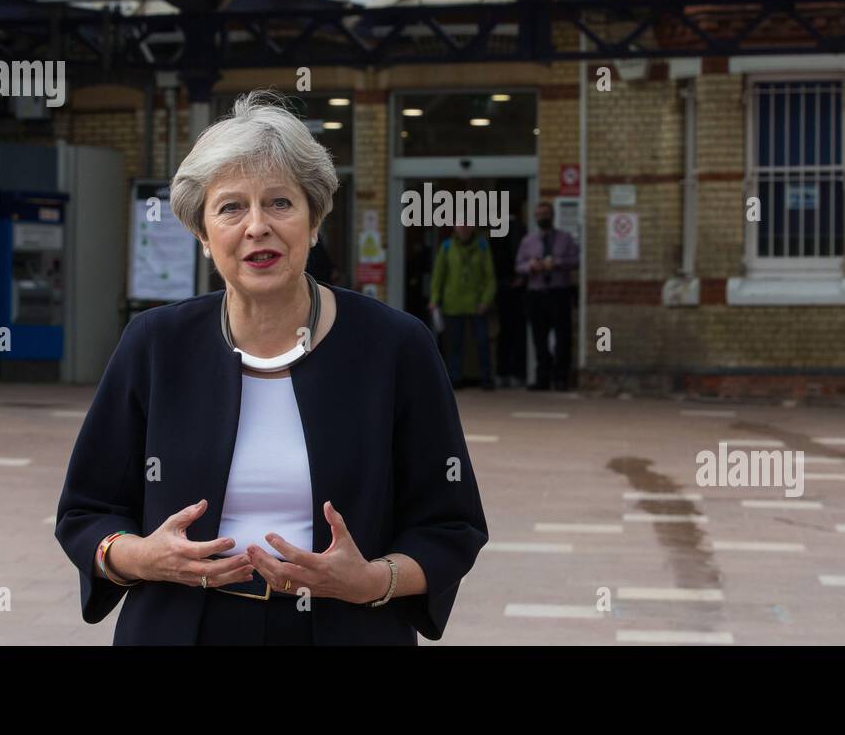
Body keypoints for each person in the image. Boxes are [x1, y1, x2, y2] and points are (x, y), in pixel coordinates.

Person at [55, 92, 489, 644]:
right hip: (182, 628)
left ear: (314, 220)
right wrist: (142, 557)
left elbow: (450, 525)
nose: (257, 226)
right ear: (202, 234)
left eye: (280, 202)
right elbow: (86, 512)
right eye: (230, 208)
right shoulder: (155, 344)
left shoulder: (396, 346)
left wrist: (371, 581)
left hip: (343, 629)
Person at [515, 200, 579, 391]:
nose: (543, 218)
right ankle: (542, 378)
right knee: (539, 338)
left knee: (563, 337)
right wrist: (531, 266)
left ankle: (560, 378)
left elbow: (576, 260)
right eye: (539, 214)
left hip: (559, 293)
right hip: (537, 294)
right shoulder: (528, 241)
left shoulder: (565, 238)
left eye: (546, 214)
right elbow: (519, 265)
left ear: (552, 216)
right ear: (535, 217)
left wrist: (556, 263)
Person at [428, 223, 497, 391]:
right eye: (460, 224)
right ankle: (454, 379)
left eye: (467, 224)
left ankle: (486, 379)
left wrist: (486, 301)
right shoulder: (447, 247)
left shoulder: (482, 246)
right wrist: (434, 299)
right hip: (453, 304)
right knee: (454, 345)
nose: (464, 228)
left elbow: (490, 277)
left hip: (477, 304)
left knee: (482, 342)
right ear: (454, 227)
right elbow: (438, 275)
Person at [490, 207, 527, 388]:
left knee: (511, 333)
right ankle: (508, 372)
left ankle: (507, 372)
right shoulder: (513, 229)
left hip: (511, 289)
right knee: (511, 333)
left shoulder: (508, 230)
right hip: (507, 289)